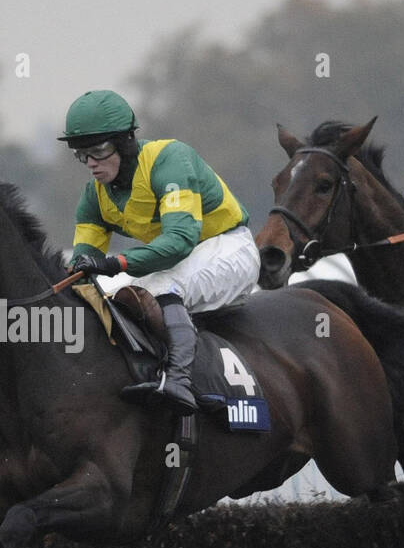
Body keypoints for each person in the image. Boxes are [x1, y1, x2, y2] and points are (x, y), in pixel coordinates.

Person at [60, 89, 259, 414]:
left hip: (229, 246)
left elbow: (180, 240)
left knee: (161, 287)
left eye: (98, 150)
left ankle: (180, 380)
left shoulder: (169, 159)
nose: (91, 163)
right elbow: (83, 273)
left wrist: (116, 263)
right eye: (82, 154)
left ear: (125, 142)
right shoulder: (94, 197)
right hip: (184, 259)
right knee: (103, 297)